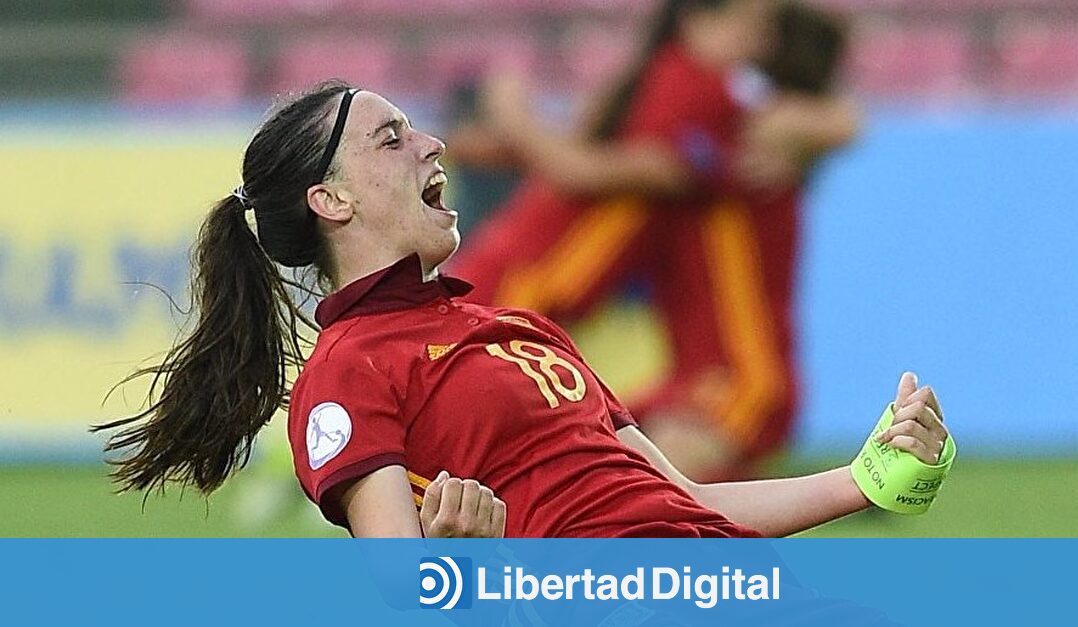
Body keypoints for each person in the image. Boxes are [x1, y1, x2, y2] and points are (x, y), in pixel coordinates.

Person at [94, 81, 950, 538]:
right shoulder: (347, 370)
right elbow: (406, 586)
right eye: (390, 139)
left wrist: (869, 476)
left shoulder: (521, 329)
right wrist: (466, 576)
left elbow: (689, 501)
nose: (432, 143)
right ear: (331, 200)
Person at [449, 0, 858, 481]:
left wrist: (514, 115)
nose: (761, 40)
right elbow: (584, 160)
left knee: (597, 484)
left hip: (726, 382)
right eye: (755, 24)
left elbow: (582, 168)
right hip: (519, 302)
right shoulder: (691, 93)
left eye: (769, 29)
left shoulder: (708, 106)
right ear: (700, 18)